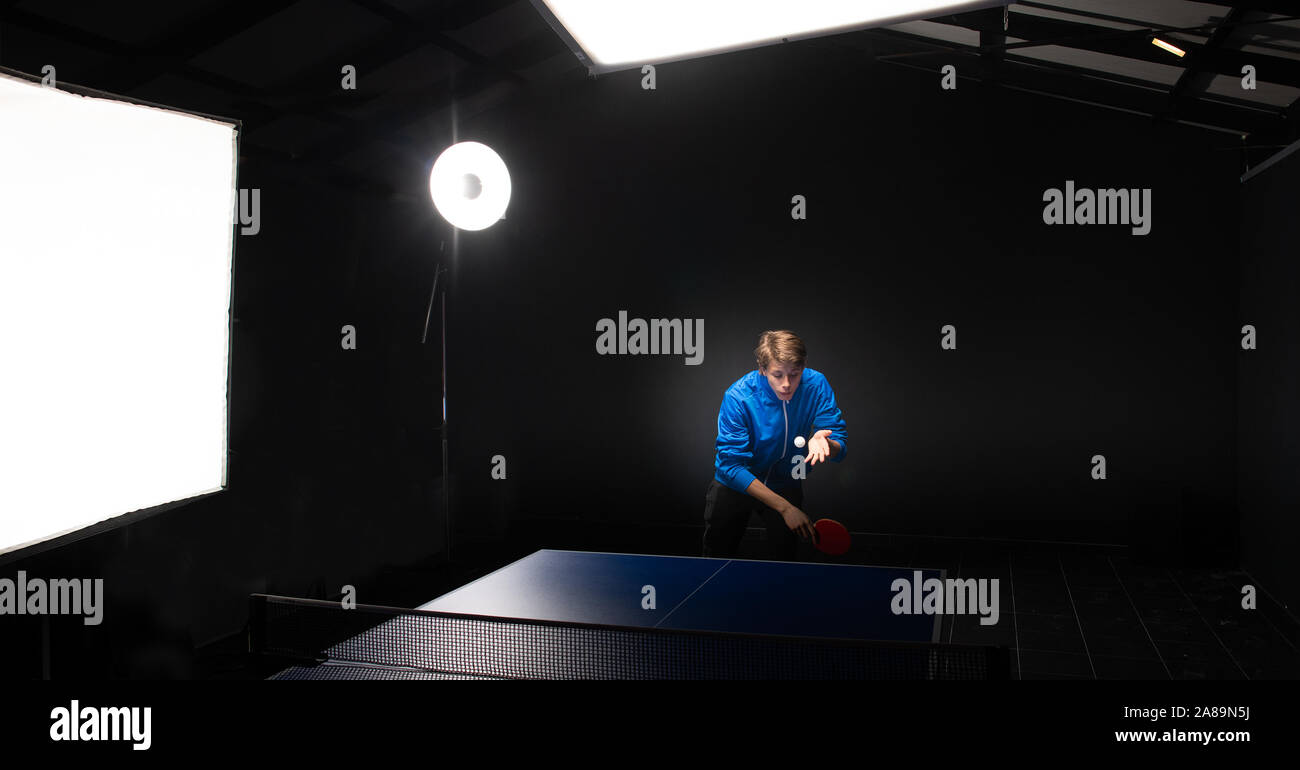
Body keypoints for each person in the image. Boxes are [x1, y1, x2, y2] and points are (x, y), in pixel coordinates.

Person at [703, 330, 848, 560]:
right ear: (762, 369)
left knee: (784, 559)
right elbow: (730, 467)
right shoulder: (738, 397)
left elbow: (840, 443)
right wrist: (786, 508)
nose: (787, 384)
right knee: (717, 556)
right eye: (777, 375)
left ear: (804, 366)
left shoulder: (816, 384)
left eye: (795, 374)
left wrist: (826, 441)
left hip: (785, 482)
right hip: (737, 484)